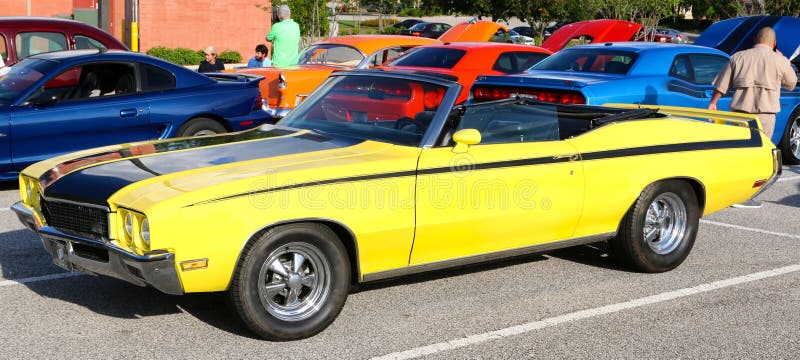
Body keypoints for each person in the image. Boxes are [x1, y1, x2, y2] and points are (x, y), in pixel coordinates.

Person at [709, 26, 797, 208]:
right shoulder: (779, 61)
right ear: (774, 43)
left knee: (738, 153)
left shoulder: (739, 57)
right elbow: (791, 84)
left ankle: (733, 192)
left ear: (756, 40)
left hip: (741, 115)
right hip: (765, 116)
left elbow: (721, 84)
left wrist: (713, 103)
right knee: (759, 154)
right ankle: (747, 194)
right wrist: (784, 61)